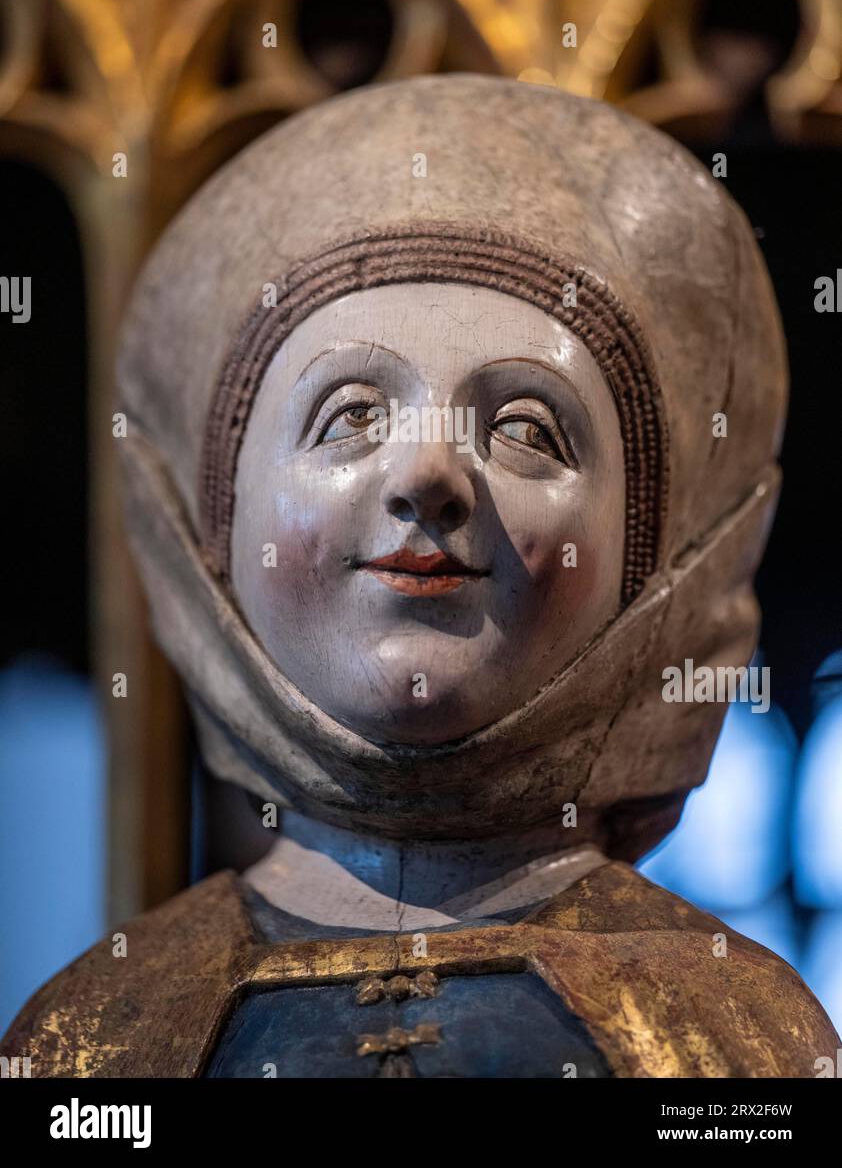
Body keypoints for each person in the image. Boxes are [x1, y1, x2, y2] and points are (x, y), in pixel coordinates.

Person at [3, 75, 836, 1077]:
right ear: (213, 538)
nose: (428, 474)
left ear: (656, 564)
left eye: (526, 429)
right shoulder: (93, 1038)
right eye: (349, 413)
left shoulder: (734, 1039)